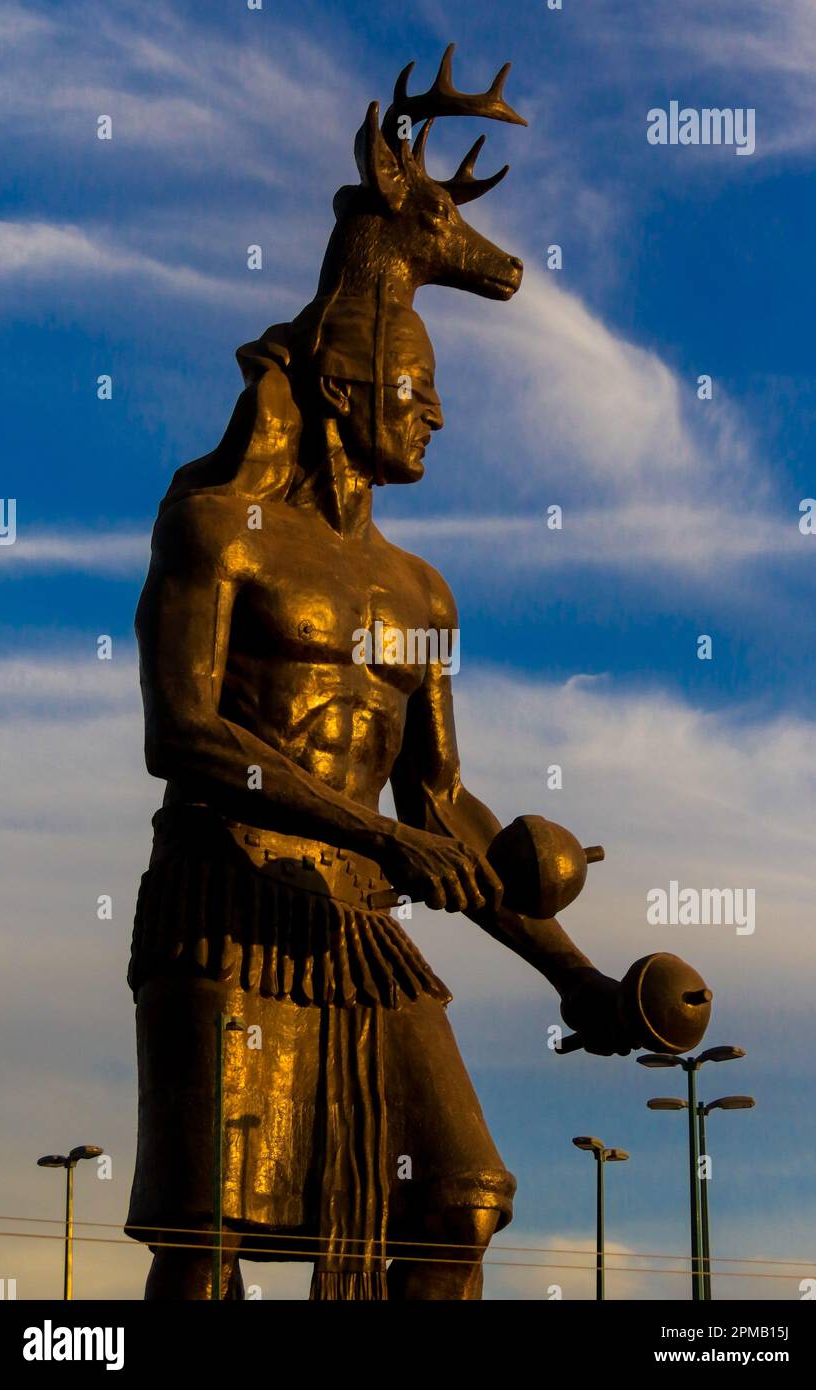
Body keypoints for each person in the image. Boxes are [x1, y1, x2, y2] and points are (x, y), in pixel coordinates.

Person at [126, 290, 630, 1300]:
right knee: (212, 1222)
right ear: (338, 389)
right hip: (226, 896)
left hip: (355, 926)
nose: (435, 415)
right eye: (418, 390)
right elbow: (179, 732)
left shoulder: (422, 593)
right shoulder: (219, 528)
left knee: (460, 1199)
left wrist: (573, 976)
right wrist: (380, 837)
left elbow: (438, 805)